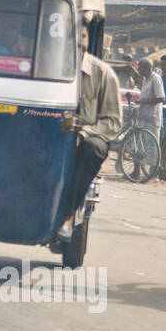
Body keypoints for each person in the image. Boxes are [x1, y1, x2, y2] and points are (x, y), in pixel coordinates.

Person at [60, 17, 122, 225]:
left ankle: (69, 213)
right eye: (73, 36)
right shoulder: (49, 66)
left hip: (87, 135)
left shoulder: (103, 74)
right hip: (54, 131)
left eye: (83, 36)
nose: (78, 41)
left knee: (93, 148)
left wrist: (84, 133)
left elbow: (113, 121)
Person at [135, 58, 165, 132]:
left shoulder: (156, 79)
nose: (138, 71)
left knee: (151, 143)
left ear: (147, 68)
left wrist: (144, 101)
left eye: (140, 69)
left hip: (152, 119)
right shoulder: (145, 79)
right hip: (143, 117)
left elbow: (161, 98)